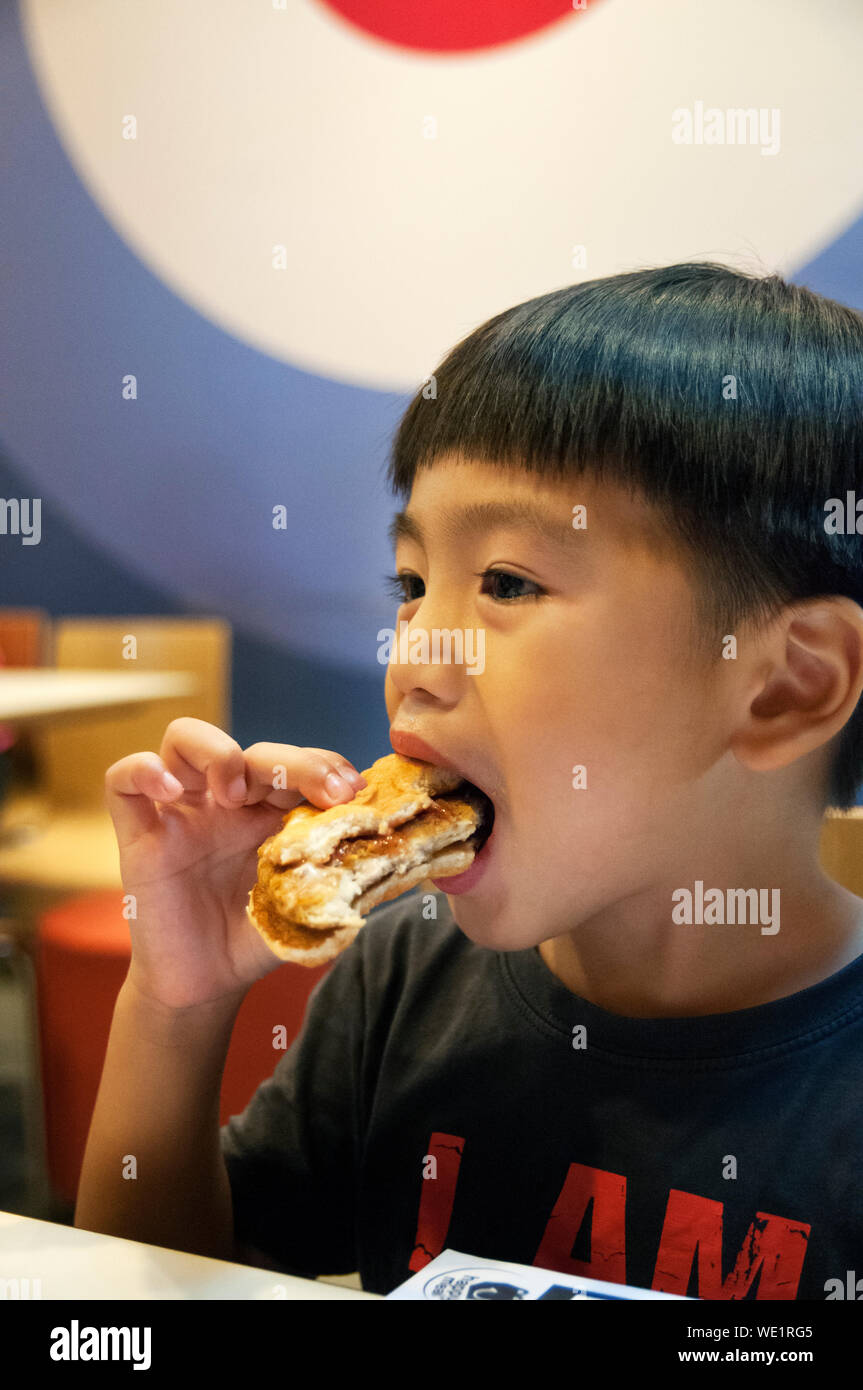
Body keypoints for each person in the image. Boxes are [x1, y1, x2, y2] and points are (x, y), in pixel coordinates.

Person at [76, 262, 863, 1300]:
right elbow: (136, 1317)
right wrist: (173, 1005)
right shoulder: (402, 981)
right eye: (409, 584)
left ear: (782, 688)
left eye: (505, 582)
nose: (412, 655)